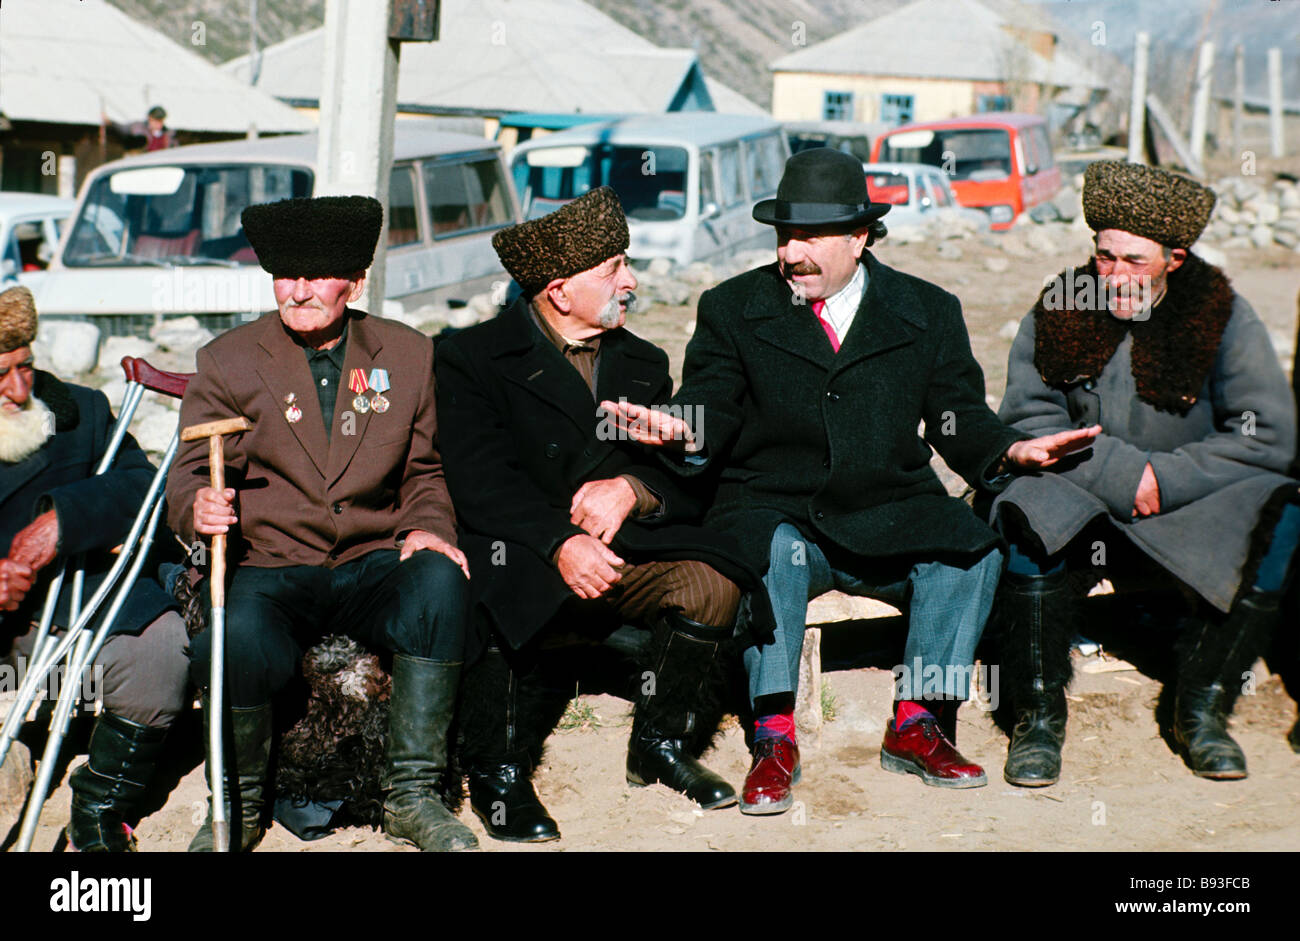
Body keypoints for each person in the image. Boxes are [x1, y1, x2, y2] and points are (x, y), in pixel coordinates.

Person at [605, 148, 1091, 815]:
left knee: (970, 546)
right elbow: (712, 401)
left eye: (808, 237)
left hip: (888, 509)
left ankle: (917, 722)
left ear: (859, 237)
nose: (790, 253)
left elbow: (959, 418)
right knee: (764, 548)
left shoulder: (927, 310)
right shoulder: (732, 307)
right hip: (781, 511)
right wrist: (682, 428)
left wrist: (1012, 451)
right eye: (782, 236)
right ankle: (773, 735)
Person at [435, 186, 758, 843]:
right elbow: (480, 479)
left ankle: (661, 745)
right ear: (559, 290)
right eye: (613, 268)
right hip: (520, 546)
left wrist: (634, 489)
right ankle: (498, 770)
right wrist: (558, 540)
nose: (631, 280)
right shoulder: (472, 358)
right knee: (488, 588)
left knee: (713, 580)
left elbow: (678, 475)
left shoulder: (642, 361)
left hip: (620, 551)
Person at [166, 195, 475, 852]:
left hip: (370, 559)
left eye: (316, 276)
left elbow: (423, 470)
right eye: (285, 276)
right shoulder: (230, 359)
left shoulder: (409, 353)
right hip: (272, 561)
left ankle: (412, 797)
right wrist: (200, 506)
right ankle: (238, 805)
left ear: (355, 281)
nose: (298, 290)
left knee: (440, 582)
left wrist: (428, 527)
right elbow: (191, 470)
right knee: (235, 631)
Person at [989, 160, 1299, 785]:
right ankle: (1038, 715)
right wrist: (1126, 475)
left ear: (1174, 259)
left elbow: (1266, 429)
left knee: (1284, 513)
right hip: (1080, 488)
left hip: (1187, 497)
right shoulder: (1060, 305)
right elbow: (1026, 416)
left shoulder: (1224, 317)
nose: (1116, 274)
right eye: (1106, 257)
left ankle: (1202, 707)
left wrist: (1168, 479)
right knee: (1022, 505)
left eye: (1136, 260)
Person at [0, 285, 190, 851]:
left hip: (70, 599)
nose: (18, 388)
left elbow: (142, 488)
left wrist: (59, 522)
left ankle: (101, 808)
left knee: (159, 649)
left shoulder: (77, 410)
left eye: (25, 366)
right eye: (0, 374)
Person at [104, 105, 176, 152]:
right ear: (150, 118)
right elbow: (122, 128)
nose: (158, 124)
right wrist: (110, 122)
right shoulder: (138, 127)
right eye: (156, 121)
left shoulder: (168, 135)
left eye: (161, 121)